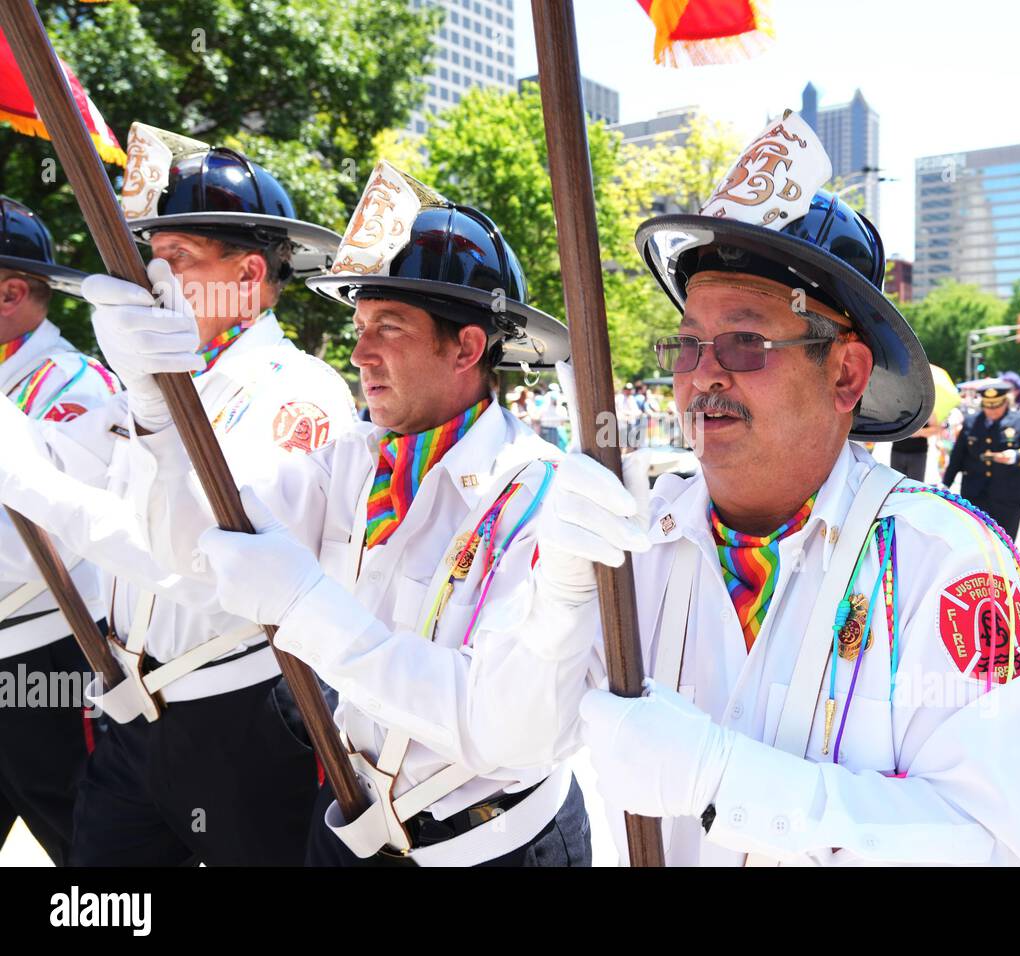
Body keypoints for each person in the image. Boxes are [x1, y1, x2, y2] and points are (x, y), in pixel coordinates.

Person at [464, 112, 1020, 865]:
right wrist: (557, 604)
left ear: (845, 372)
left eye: (745, 341)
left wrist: (724, 777)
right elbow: (509, 744)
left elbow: (996, 845)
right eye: (686, 344)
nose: (702, 374)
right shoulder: (631, 540)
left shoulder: (947, 563)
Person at [120, 162, 589, 866]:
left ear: (466, 347)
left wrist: (308, 606)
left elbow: (495, 724)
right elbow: (195, 559)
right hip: (352, 821)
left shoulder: (536, 494)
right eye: (361, 324)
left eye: (389, 327)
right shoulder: (347, 463)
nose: (360, 350)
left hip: (495, 845)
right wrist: (156, 415)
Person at [0, 125, 357, 865]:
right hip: (138, 708)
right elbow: (123, 527)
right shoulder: (161, 380)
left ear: (248, 273)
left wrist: (34, 486)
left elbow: (198, 563)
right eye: (150, 260)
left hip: (242, 714)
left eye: (177, 260)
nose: (150, 282)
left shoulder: (300, 393)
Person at [0, 197, 121, 865]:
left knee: (88, 853)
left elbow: (37, 541)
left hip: (45, 660)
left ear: (13, 292)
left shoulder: (73, 387)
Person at [942, 381, 1020, 541]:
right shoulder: (971, 422)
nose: (992, 411)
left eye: (996, 406)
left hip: (1009, 493)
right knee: (978, 542)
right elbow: (958, 456)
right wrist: (945, 483)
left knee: (1006, 542)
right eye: (988, 406)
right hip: (975, 493)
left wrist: (1016, 456)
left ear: (1005, 402)